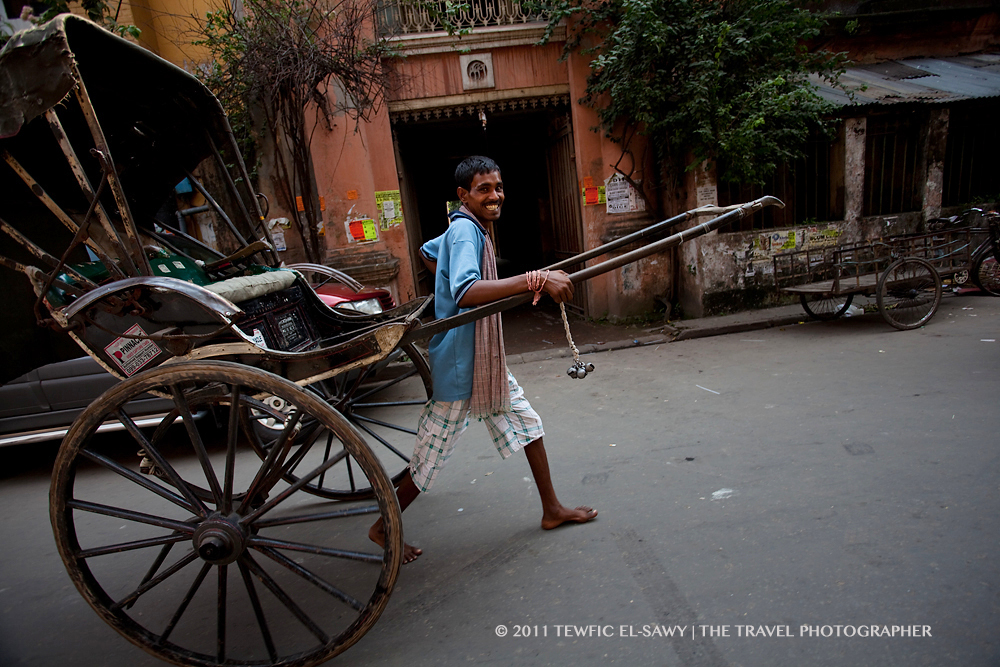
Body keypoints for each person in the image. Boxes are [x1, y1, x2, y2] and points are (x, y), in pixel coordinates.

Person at [369, 156, 597, 563]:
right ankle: (382, 525)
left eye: (498, 187)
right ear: (464, 195)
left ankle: (551, 509)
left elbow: (427, 252)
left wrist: (444, 278)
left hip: (483, 355)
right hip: (462, 362)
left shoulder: (466, 228)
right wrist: (535, 279)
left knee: (528, 424)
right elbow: (465, 292)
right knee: (431, 457)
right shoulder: (464, 233)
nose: (495, 196)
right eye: (484, 189)